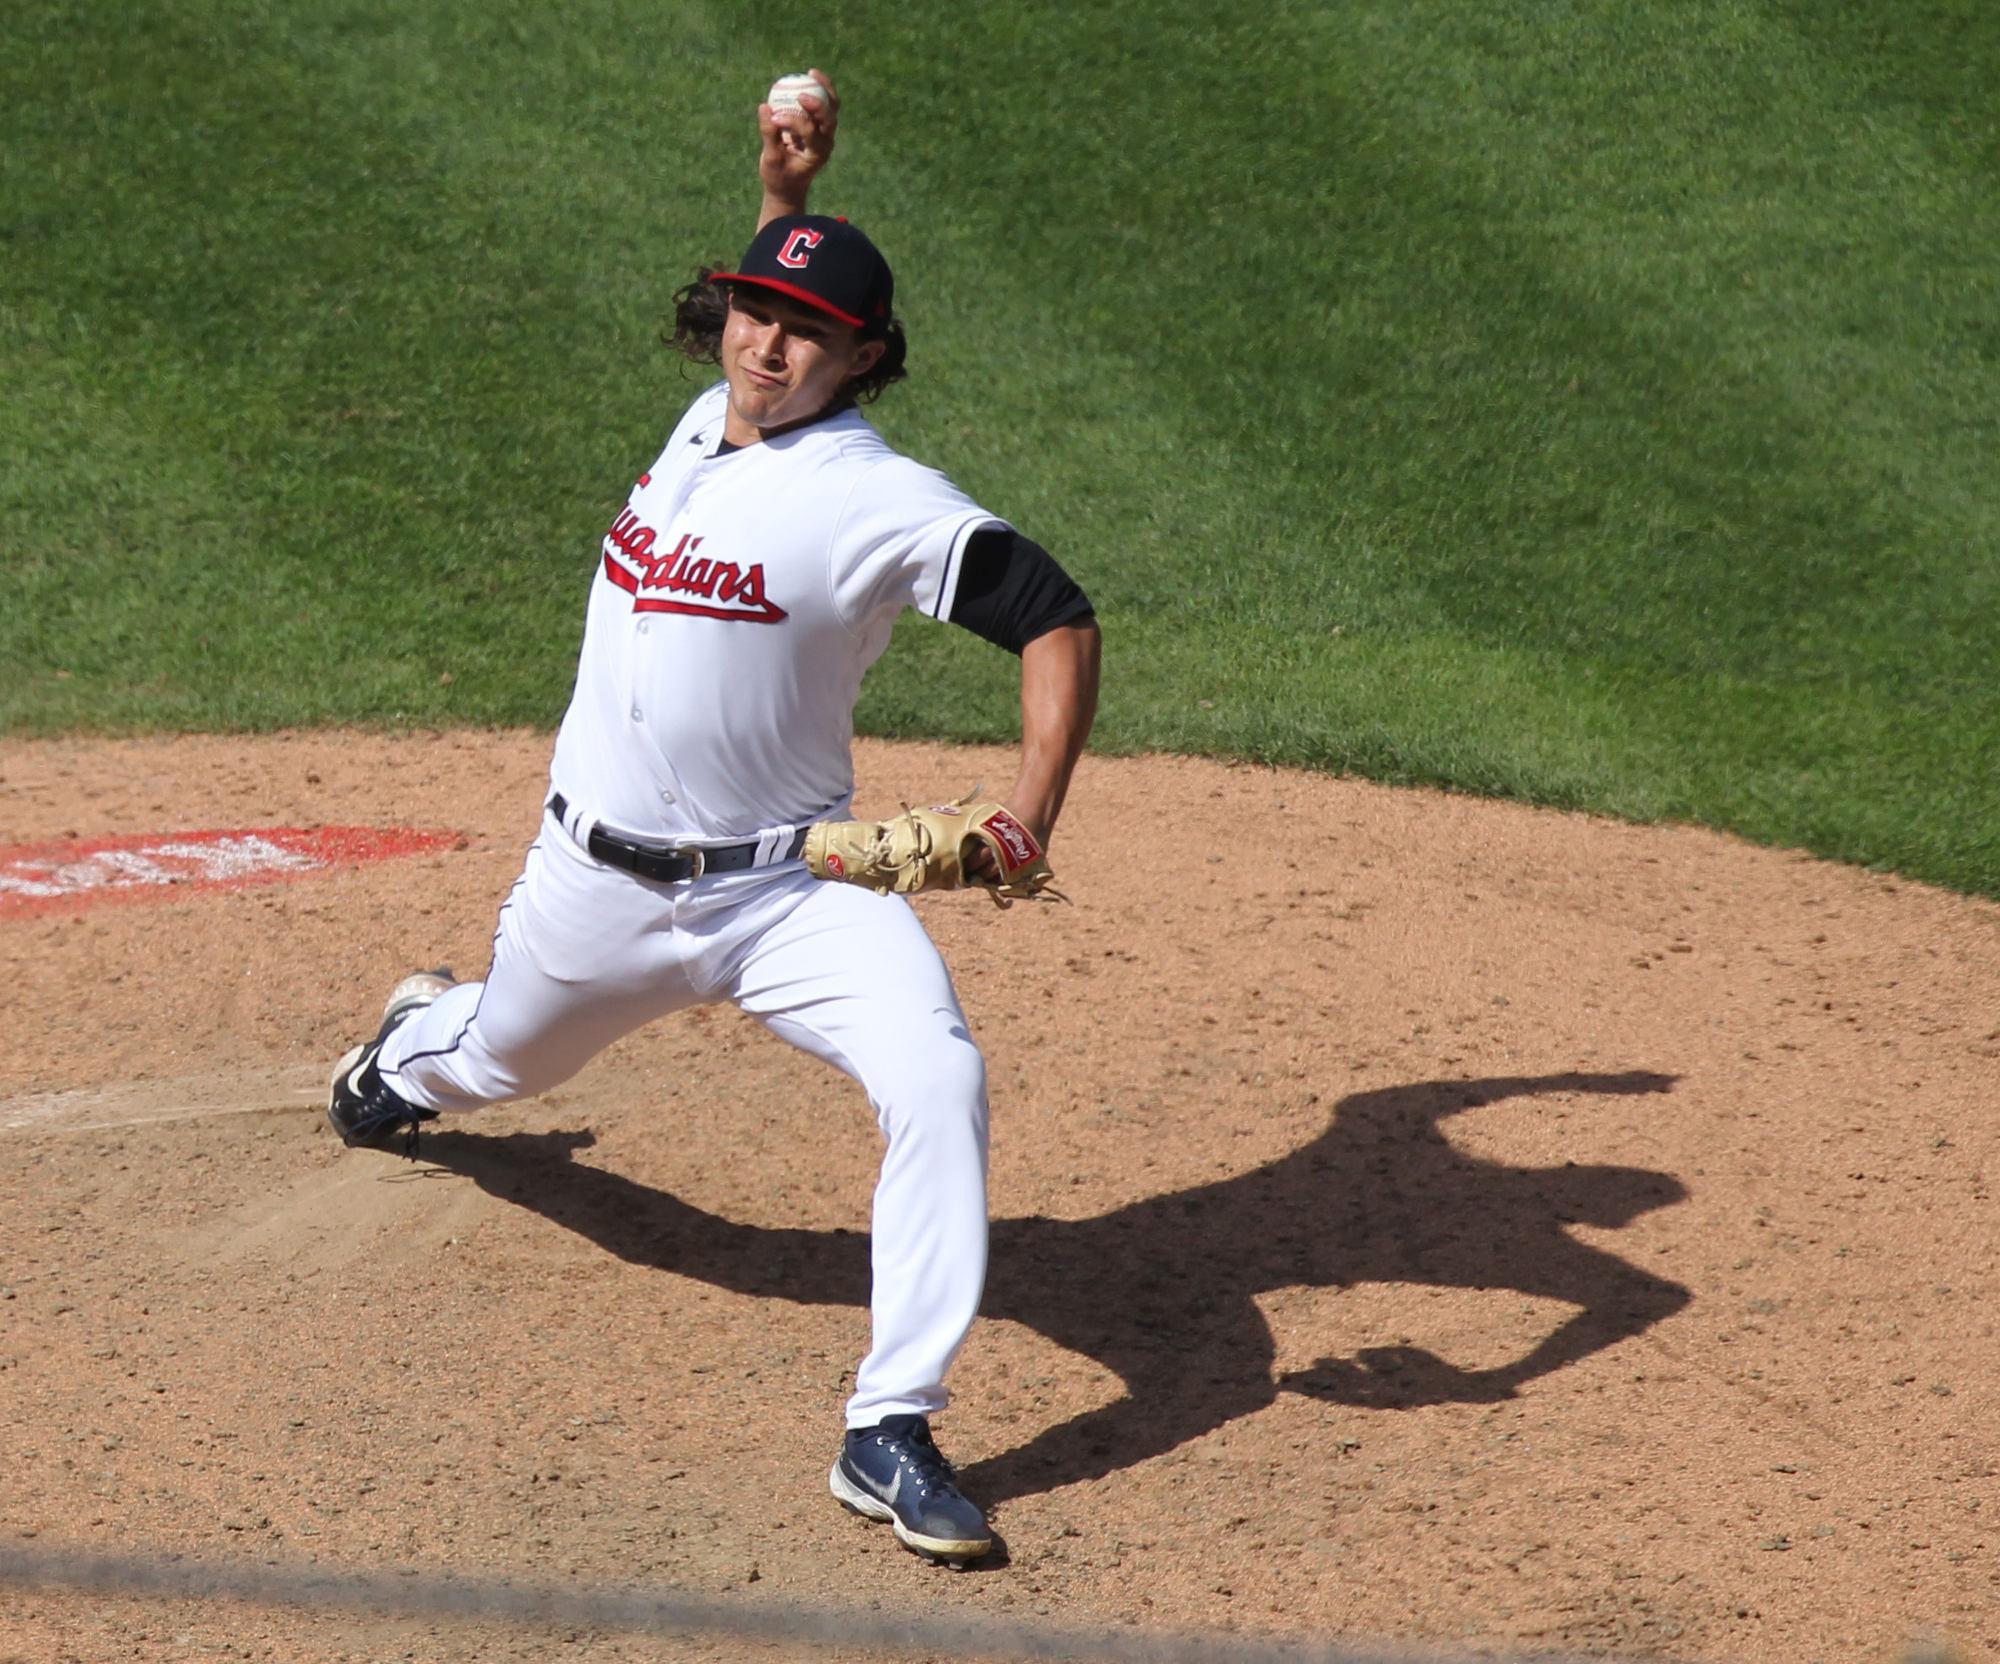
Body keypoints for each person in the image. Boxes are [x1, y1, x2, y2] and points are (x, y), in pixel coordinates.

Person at [325, 72, 1101, 1566]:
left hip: (792, 891)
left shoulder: (882, 500)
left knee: (938, 1073)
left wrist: (1025, 816)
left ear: (863, 359)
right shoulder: (709, 416)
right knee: (490, 1060)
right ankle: (404, 1054)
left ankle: (891, 1427)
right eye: (752, 311)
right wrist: (786, 202)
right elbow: (769, 320)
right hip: (593, 890)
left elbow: (1056, 616)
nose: (767, 341)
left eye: (806, 329)